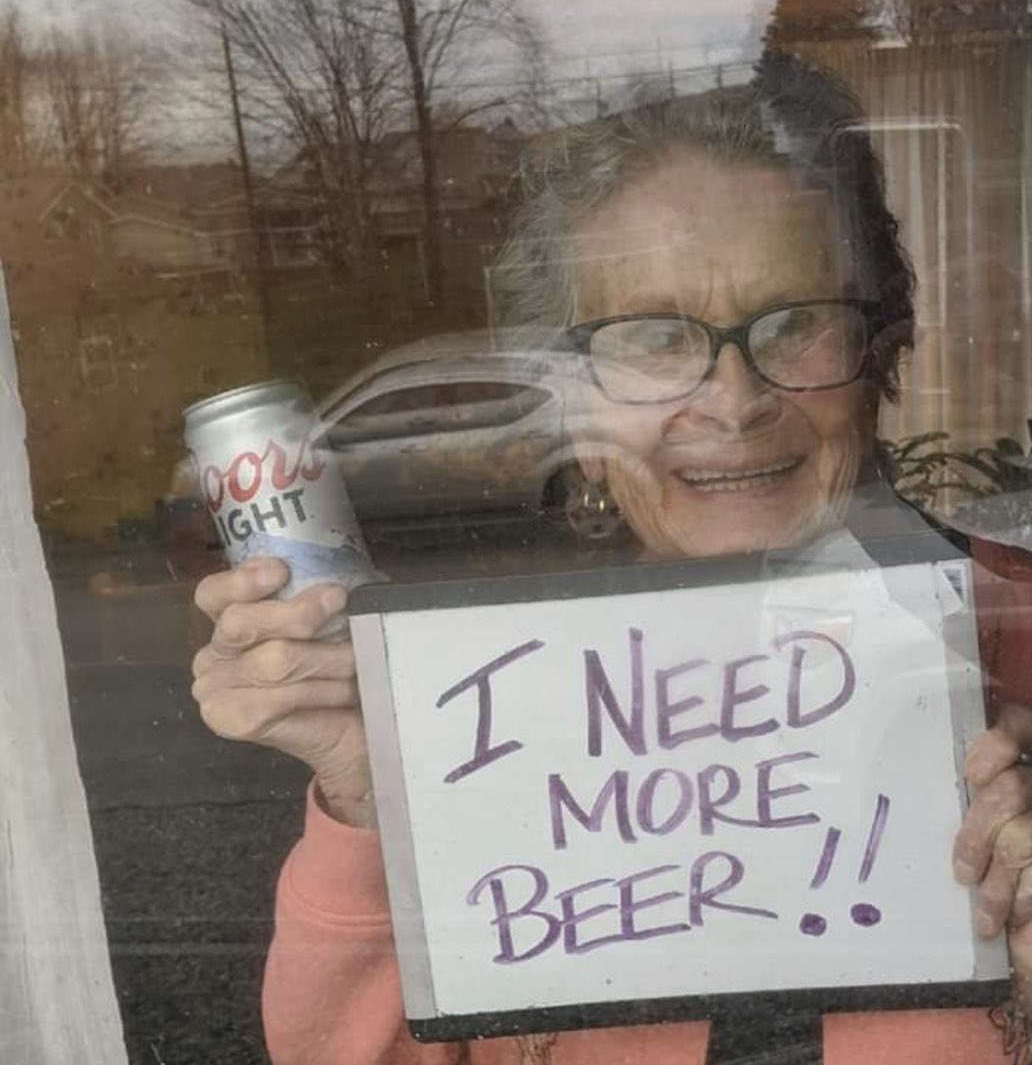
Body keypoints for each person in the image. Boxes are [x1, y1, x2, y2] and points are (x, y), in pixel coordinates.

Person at [191, 54, 1032, 1064]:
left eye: (796, 321)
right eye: (653, 337)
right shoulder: (501, 705)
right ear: (572, 399)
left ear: (881, 353)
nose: (731, 398)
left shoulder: (1013, 645)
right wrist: (382, 804)